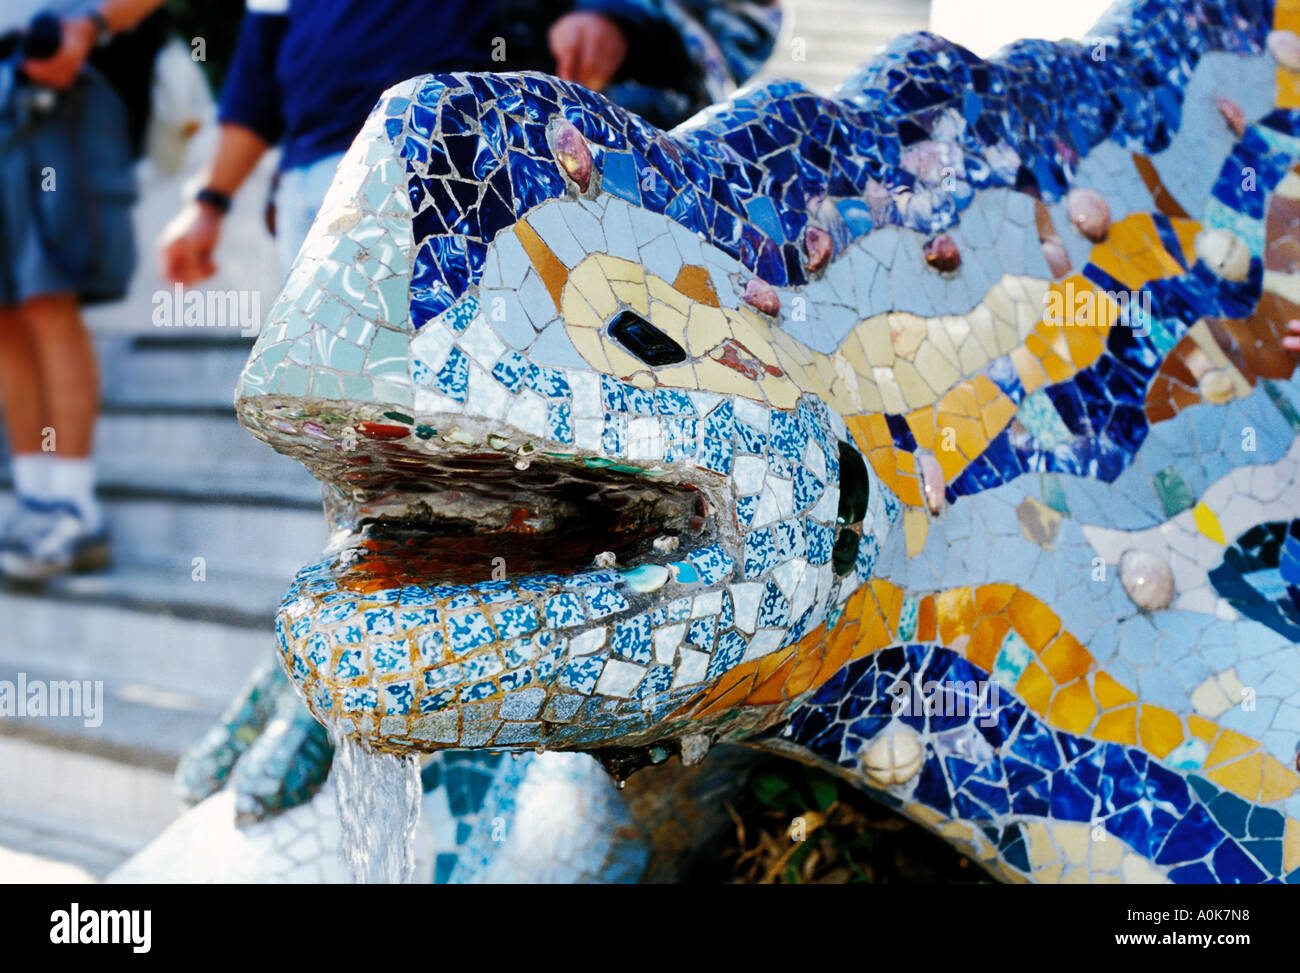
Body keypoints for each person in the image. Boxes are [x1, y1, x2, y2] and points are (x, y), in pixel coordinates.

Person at [160, 0, 781, 285]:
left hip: (475, 160)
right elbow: (255, 81)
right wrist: (211, 201)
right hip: (314, 184)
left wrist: (612, 15)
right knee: (343, 431)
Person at [0, 0, 166, 581]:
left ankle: (75, 507)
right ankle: (35, 498)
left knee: (47, 298)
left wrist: (90, 27)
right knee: (5, 317)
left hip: (54, 90)